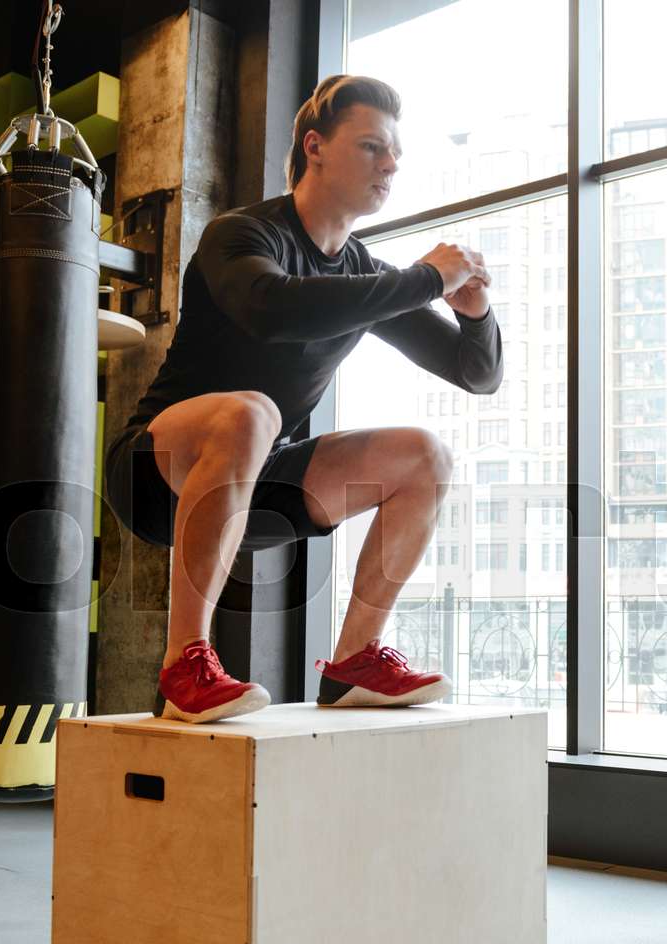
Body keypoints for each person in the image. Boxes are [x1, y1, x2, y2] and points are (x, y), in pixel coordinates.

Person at [103, 74, 502, 724]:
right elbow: (273, 311)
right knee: (250, 412)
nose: (391, 163)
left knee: (425, 456)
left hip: (265, 492)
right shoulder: (239, 235)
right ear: (314, 146)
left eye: (395, 153)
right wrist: (427, 276)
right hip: (154, 475)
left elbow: (474, 372)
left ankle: (354, 662)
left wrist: (476, 312)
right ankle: (184, 663)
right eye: (373, 146)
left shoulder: (362, 272)